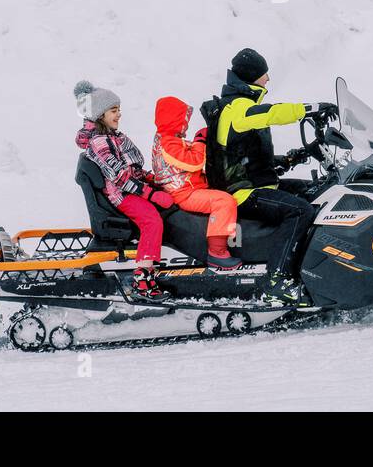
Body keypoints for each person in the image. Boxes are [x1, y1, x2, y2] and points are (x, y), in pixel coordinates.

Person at [212, 48, 334, 305]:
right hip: (243, 192)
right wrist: (309, 109)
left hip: (261, 183)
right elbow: (271, 113)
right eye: (263, 73)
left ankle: (317, 268)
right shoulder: (238, 108)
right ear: (252, 76)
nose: (267, 78)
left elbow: (253, 157)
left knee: (320, 192)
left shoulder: (243, 105)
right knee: (299, 211)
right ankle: (276, 280)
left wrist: (296, 156)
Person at [74, 80, 174, 300]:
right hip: (121, 195)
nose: (118, 115)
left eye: (119, 110)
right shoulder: (100, 142)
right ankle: (143, 280)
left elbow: (131, 169)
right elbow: (119, 177)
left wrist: (153, 179)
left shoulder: (113, 137)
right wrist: (151, 193)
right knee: (151, 220)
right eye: (113, 110)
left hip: (129, 188)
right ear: (100, 114)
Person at [151, 95, 242, 269]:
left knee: (227, 194)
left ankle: (233, 240)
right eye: (183, 119)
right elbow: (193, 163)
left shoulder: (169, 139)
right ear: (172, 119)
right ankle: (217, 252)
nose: (185, 124)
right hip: (184, 194)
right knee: (224, 202)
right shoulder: (167, 142)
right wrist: (199, 141)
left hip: (189, 188)